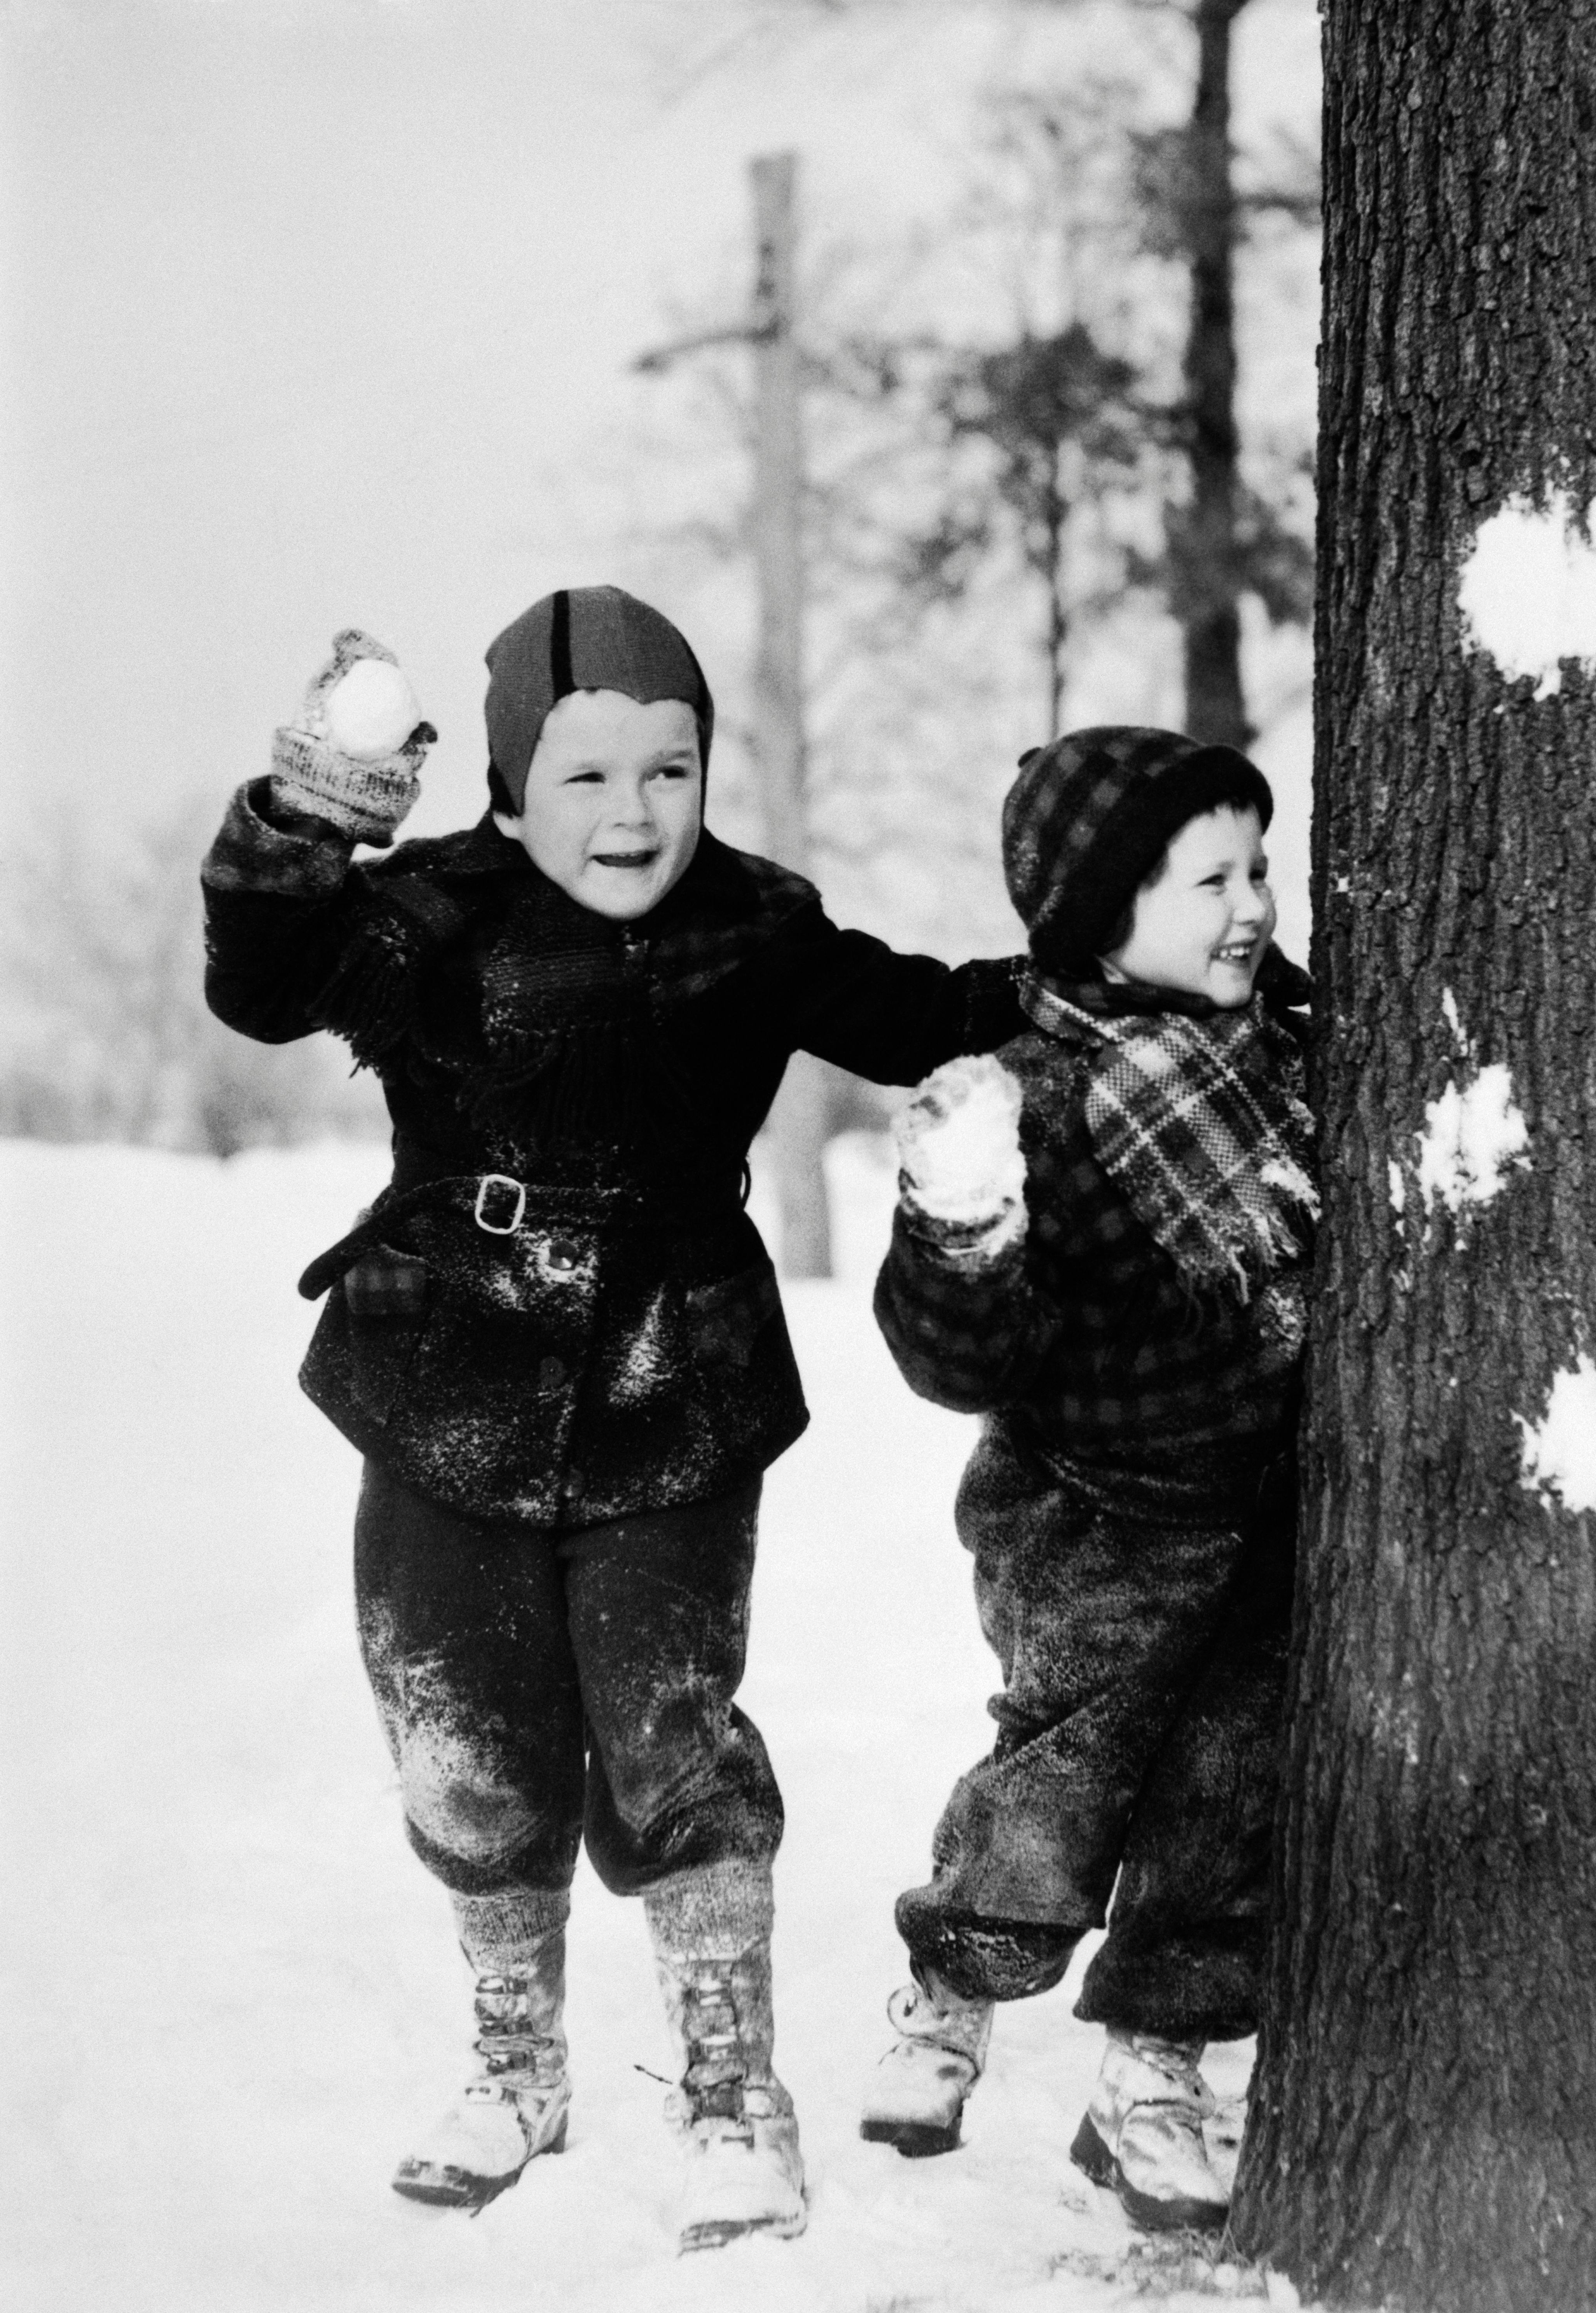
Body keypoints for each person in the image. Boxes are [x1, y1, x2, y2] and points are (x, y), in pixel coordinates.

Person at [200, 590, 1023, 2250]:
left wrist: (1116, 972)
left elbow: (923, 1012)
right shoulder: (428, 913)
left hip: (675, 1385)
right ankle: (517, 2067)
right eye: (585, 776)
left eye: (669, 770)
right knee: (460, 1736)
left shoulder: (753, 925)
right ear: (510, 792)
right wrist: (305, 814)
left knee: (671, 1734)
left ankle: (730, 2091)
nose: (634, 812)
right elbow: (264, 984)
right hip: (442, 1375)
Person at [861, 724, 1316, 2230]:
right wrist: (960, 1227)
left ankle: (1154, 2075)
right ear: (1098, 910)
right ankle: (952, 1984)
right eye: (1207, 881)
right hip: (1093, 1517)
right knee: (1061, 1779)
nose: (1250, 905)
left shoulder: (1293, 1059)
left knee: (1227, 1800)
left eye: (1257, 869)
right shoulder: (1026, 1098)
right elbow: (957, 1360)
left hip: (1264, 1511)